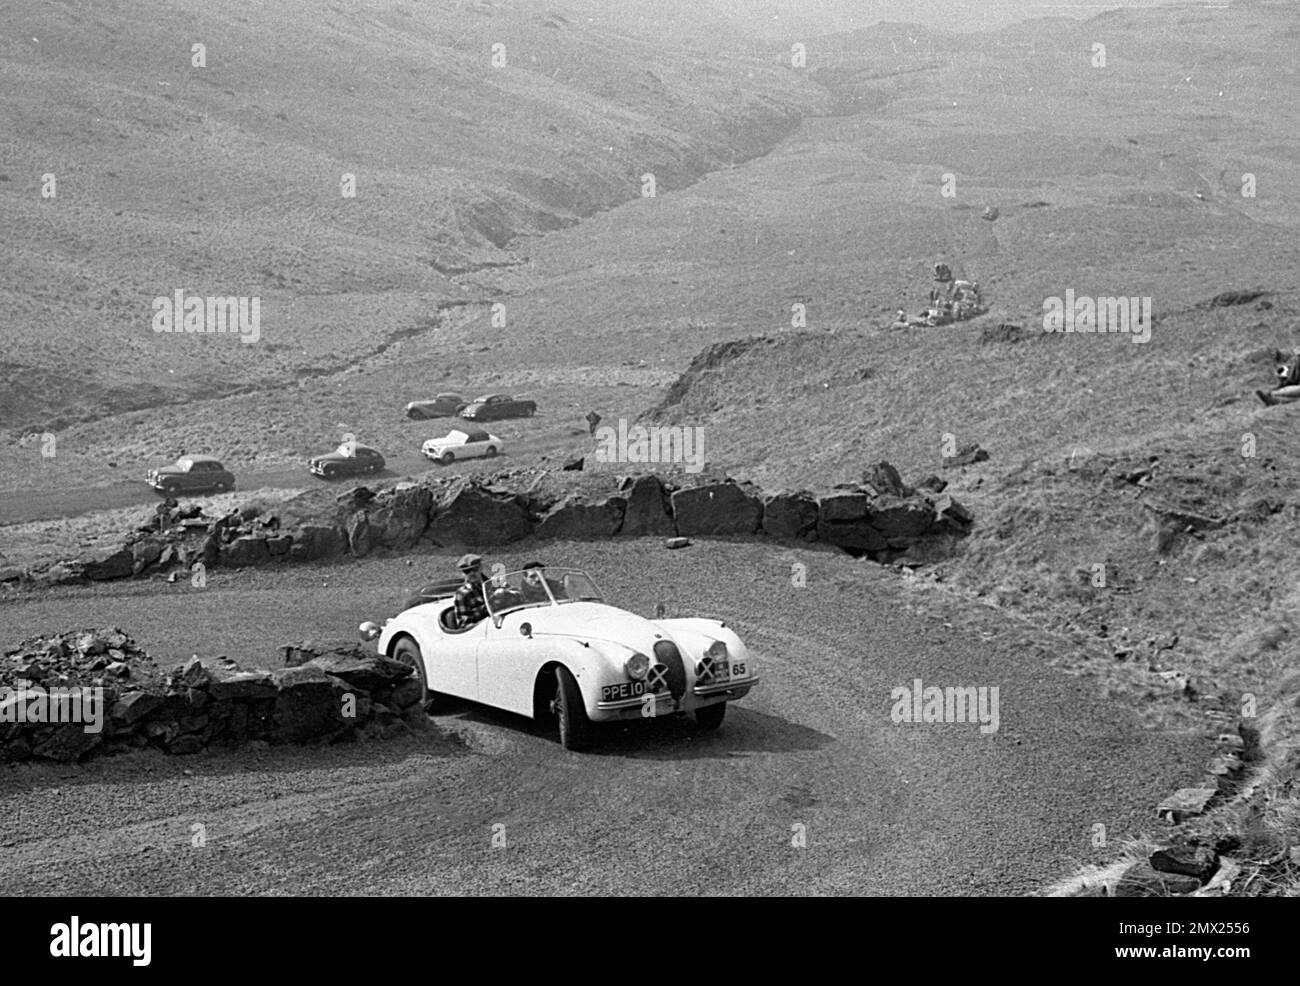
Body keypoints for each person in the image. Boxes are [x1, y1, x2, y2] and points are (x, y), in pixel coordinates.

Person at [451, 554, 490, 628]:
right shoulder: (462, 594)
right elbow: (464, 624)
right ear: (463, 574)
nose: (471, 573)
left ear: (481, 568)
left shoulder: (493, 585)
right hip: (482, 632)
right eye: (467, 571)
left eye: (475, 569)